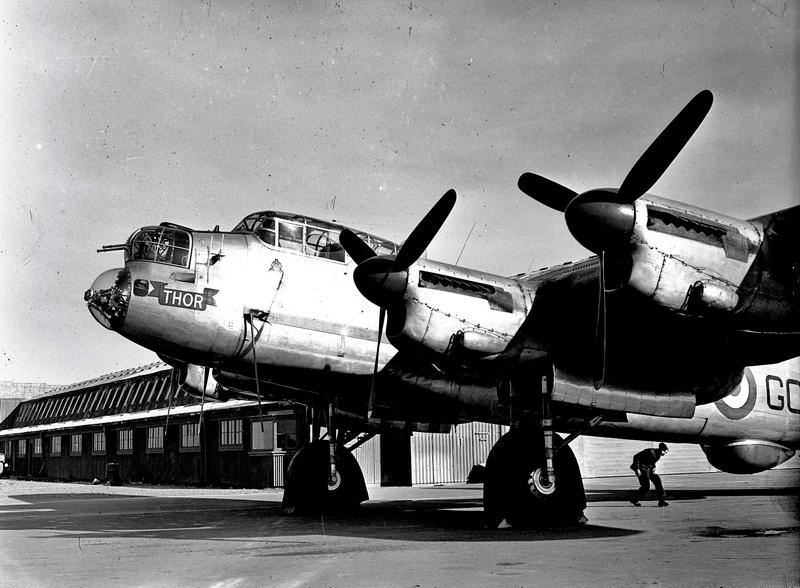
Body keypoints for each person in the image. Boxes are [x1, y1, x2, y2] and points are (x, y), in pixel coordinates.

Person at [629, 442, 669, 507]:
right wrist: (637, 469)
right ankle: (635, 499)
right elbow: (636, 456)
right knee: (646, 487)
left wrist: (654, 467)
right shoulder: (649, 451)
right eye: (665, 452)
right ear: (661, 450)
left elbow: (651, 462)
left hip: (649, 470)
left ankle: (661, 501)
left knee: (658, 481)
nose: (665, 454)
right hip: (642, 469)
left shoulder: (658, 455)